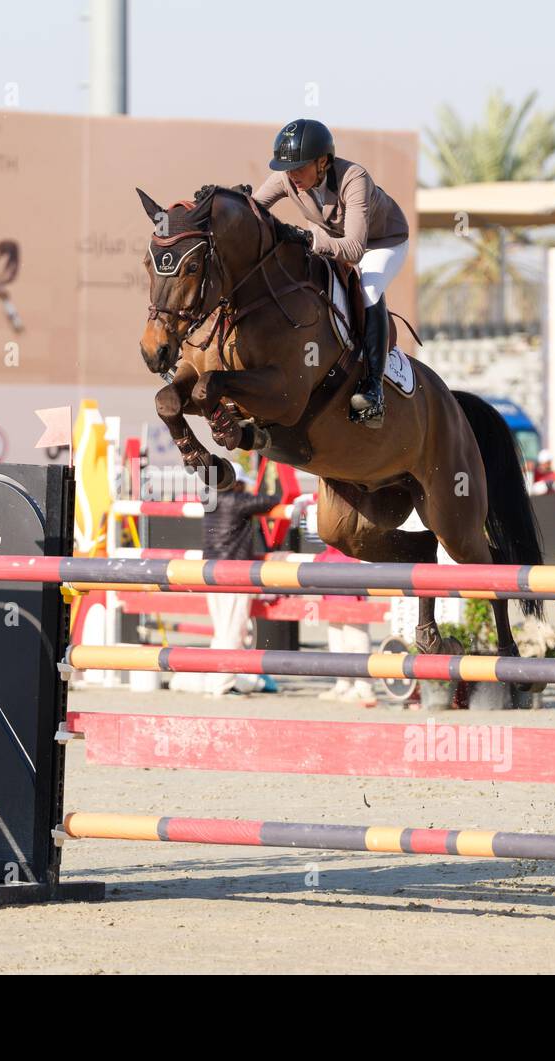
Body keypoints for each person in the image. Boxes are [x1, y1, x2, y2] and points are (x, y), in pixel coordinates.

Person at [253, 118, 410, 428]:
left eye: (299, 167)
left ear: (322, 161)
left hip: (380, 244)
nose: (292, 175)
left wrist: (310, 238)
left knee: (369, 289)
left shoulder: (354, 178)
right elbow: (253, 210)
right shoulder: (287, 177)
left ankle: (373, 389)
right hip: (330, 236)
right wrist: (222, 203)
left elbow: (353, 250)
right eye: (288, 168)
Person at [171, 471, 281, 697]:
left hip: (212, 572)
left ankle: (217, 679)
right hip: (233, 573)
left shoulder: (209, 499)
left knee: (222, 630)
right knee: (233, 632)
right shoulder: (236, 500)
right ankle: (222, 685)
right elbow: (271, 501)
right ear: (237, 483)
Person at [313, 544, 378, 706]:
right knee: (335, 634)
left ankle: (364, 687)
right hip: (333, 562)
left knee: (355, 634)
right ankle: (343, 682)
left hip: (352, 559)